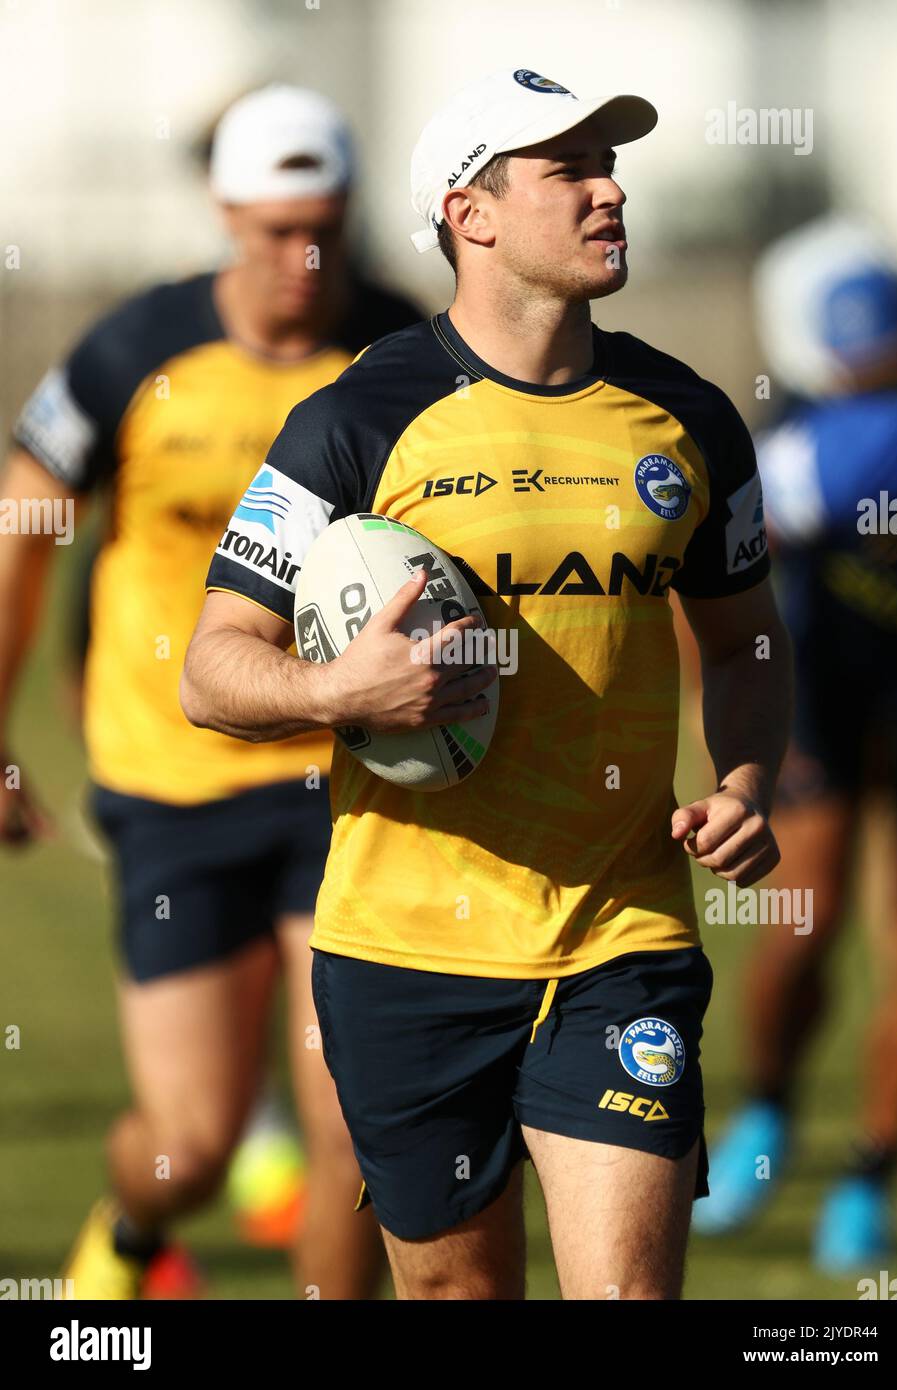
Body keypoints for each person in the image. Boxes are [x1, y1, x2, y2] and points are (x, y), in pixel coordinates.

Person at [181, 67, 791, 1300]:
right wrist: (339, 692)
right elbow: (211, 668)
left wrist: (743, 776)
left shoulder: (690, 419)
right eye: (568, 169)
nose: (609, 189)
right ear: (474, 213)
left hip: (621, 933)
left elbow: (744, 646)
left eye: (608, 164)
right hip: (404, 950)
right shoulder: (353, 421)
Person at [0, 83, 421, 1299]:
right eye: (273, 228)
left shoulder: (401, 354)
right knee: (191, 1145)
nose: (301, 256)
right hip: (171, 778)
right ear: (225, 213)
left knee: (352, 1130)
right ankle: (134, 1233)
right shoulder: (137, 352)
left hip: (346, 781)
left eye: (326, 228)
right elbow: (24, 523)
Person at [691, 216, 897, 1272]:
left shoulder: (868, 420)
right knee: (802, 918)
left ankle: (872, 1171)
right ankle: (770, 1112)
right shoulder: (825, 424)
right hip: (830, 681)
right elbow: (714, 542)